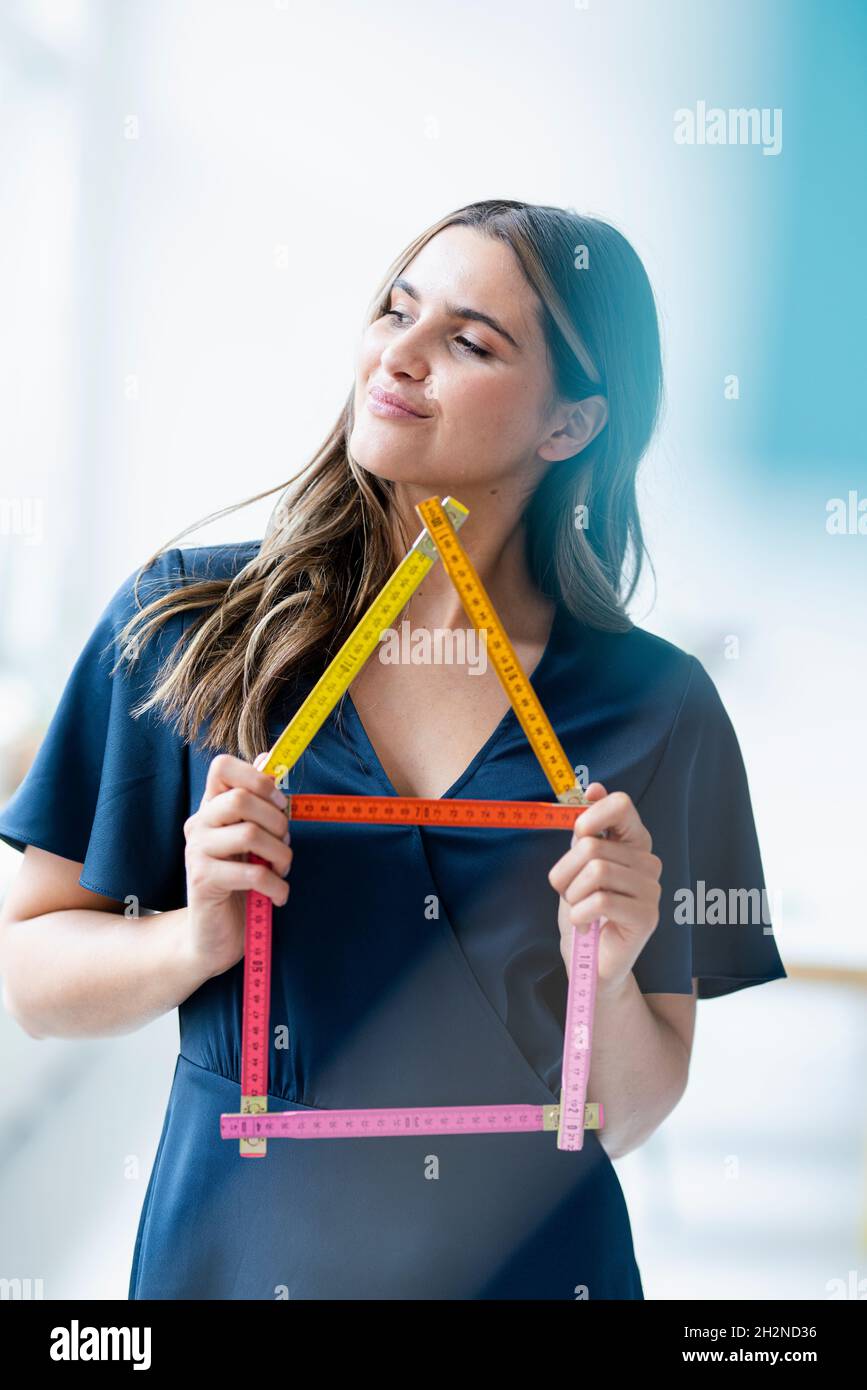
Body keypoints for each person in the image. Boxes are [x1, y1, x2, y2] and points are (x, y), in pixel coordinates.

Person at [0, 199, 786, 1300]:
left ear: (572, 425)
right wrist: (194, 937)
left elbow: (631, 1114)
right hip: (237, 1260)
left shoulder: (659, 706)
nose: (399, 355)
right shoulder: (185, 628)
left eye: (469, 341)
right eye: (395, 310)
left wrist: (605, 973)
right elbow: (32, 977)